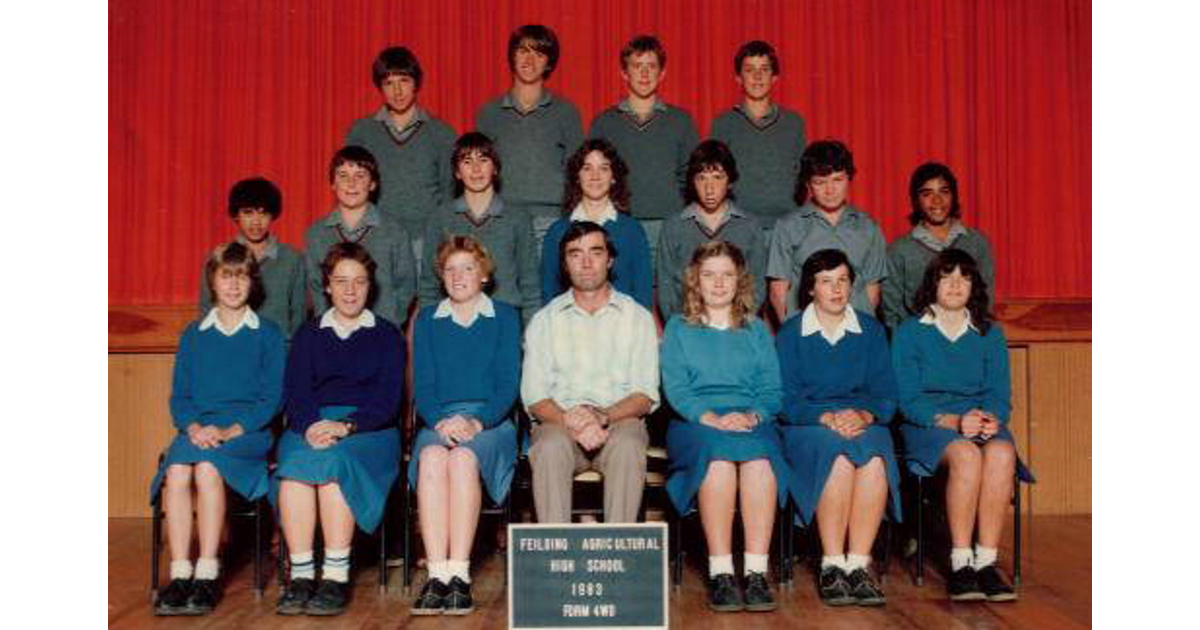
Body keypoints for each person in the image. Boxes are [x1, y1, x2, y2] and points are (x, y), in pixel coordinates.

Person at [152, 243, 286, 615]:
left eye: (241, 276)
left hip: (247, 433)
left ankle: (208, 572)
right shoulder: (194, 334)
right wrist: (194, 428)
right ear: (212, 281)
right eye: (226, 276)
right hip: (198, 430)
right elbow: (180, 397)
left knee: (209, 468)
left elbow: (272, 398)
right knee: (177, 472)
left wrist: (231, 432)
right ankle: (181, 573)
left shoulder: (268, 334)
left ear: (252, 282)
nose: (233, 285)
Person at [892, 248, 1031, 603]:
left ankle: (986, 562)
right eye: (947, 277)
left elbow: (999, 394)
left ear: (974, 286)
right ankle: (960, 563)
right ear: (933, 284)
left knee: (1002, 453)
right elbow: (908, 399)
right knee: (966, 455)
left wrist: (991, 418)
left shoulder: (989, 333)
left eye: (964, 278)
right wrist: (955, 422)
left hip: (978, 419)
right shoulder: (910, 332)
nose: (955, 285)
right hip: (929, 423)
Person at [275, 243, 405, 616]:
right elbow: (296, 393)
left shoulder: (386, 334)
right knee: (295, 469)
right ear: (327, 286)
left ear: (370, 286)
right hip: (310, 424)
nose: (350, 290)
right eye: (341, 281)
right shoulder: (309, 334)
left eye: (359, 282)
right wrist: (313, 426)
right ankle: (301, 576)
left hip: (369, 430)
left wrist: (345, 426)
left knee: (335, 467)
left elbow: (387, 401)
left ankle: (334, 576)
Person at [660, 241, 785, 613]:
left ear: (739, 280)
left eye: (727, 275)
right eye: (709, 275)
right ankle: (721, 572)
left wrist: (753, 415)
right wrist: (710, 418)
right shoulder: (678, 328)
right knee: (716, 461)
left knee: (760, 461)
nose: (718, 283)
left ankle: (757, 572)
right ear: (695, 281)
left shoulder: (756, 329)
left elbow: (772, 390)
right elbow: (676, 389)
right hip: (696, 422)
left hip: (749, 419)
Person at [775, 249, 900, 607]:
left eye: (843, 280)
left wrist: (864, 414)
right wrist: (825, 418)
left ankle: (858, 565)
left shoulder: (871, 330)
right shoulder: (791, 333)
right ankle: (832, 565)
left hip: (861, 419)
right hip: (808, 424)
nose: (836, 289)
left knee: (874, 458)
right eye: (826, 281)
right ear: (810, 289)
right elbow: (784, 400)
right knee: (840, 459)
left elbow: (886, 396)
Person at [409, 237, 521, 616]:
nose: (459, 276)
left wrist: (476, 421)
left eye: (468, 268)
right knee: (431, 456)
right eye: (450, 269)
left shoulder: (505, 316)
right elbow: (423, 386)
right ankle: (436, 576)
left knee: (461, 460)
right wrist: (441, 422)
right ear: (442, 277)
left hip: (490, 422)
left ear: (484, 275)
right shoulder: (428, 320)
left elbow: (508, 384)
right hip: (438, 419)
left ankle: (459, 576)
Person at [522, 222, 659, 523]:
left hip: (618, 421)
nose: (586, 263)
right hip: (559, 423)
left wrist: (602, 417)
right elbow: (535, 397)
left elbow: (645, 395)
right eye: (575, 254)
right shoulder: (545, 320)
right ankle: (555, 549)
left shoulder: (637, 318)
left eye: (595, 252)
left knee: (629, 446)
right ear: (564, 264)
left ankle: (618, 549)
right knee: (548, 447)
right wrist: (573, 421)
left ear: (610, 260)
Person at [588, 34, 700, 265]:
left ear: (662, 73)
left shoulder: (681, 121)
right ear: (624, 73)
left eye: (651, 66)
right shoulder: (604, 123)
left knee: (670, 286)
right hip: (618, 223)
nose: (645, 73)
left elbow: (691, 176)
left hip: (668, 224)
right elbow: (592, 176)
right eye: (637, 66)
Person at [345, 46, 457, 267]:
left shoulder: (441, 133)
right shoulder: (362, 132)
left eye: (404, 80)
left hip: (426, 242)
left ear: (416, 83)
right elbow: (350, 190)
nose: (397, 91)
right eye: (389, 83)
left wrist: (442, 239)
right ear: (380, 87)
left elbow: (449, 192)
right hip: (376, 241)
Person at [476, 24, 584, 250]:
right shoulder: (489, 113)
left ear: (549, 63)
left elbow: (577, 172)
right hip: (501, 218)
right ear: (512, 56)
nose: (529, 60)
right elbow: (478, 170)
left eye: (539, 54)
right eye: (523, 50)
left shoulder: (566, 112)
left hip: (552, 220)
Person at [419, 132, 540, 325]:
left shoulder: (518, 217)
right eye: (467, 162)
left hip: (505, 320)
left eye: (483, 160)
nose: (476, 169)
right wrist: (430, 326)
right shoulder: (440, 217)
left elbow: (530, 283)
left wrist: (530, 330)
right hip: (454, 321)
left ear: (495, 168)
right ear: (457, 172)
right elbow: (428, 284)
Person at [766, 140, 887, 323]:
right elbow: (778, 291)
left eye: (837, 180)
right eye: (820, 182)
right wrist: (792, 332)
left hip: (855, 328)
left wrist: (859, 327)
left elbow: (872, 290)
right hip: (805, 329)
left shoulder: (868, 227)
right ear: (808, 185)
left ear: (849, 178)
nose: (830, 190)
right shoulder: (788, 226)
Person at [304, 145, 417, 328]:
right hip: (333, 333)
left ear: (372, 184)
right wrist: (327, 326)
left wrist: (390, 323)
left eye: (360, 175)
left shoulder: (394, 231)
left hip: (380, 331)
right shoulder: (316, 234)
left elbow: (406, 285)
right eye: (343, 176)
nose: (351, 183)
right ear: (332, 183)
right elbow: (316, 287)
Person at [656, 139, 766, 320]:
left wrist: (738, 323)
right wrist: (683, 326)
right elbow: (666, 290)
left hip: (736, 325)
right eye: (701, 178)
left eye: (717, 177)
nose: (709, 188)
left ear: (730, 181)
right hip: (688, 325)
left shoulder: (750, 226)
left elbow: (757, 287)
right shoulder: (673, 226)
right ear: (692, 182)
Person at [883, 162, 997, 333]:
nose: (937, 200)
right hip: (919, 342)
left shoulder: (977, 243)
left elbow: (985, 301)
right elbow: (892, 313)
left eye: (944, 191)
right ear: (916, 200)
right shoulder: (899, 250)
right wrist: (910, 343)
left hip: (968, 340)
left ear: (954, 195)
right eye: (927, 194)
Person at [541, 138, 653, 310]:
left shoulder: (632, 230)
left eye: (604, 168)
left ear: (613, 177)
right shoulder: (557, 231)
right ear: (577, 177)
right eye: (587, 168)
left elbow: (643, 295)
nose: (595, 176)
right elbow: (549, 294)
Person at [710, 40, 807, 228]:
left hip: (785, 227)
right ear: (738, 78)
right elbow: (714, 177)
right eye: (749, 70)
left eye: (764, 69)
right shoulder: (723, 123)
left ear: (774, 77)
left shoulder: (793, 123)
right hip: (737, 227)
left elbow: (802, 177)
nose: (757, 76)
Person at [199, 177, 307, 339]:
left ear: (273, 215)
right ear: (236, 215)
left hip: (278, 348)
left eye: (263, 213)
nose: (256, 221)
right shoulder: (217, 258)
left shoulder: (292, 259)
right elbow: (207, 313)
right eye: (248, 212)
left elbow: (298, 317)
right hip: (230, 346)